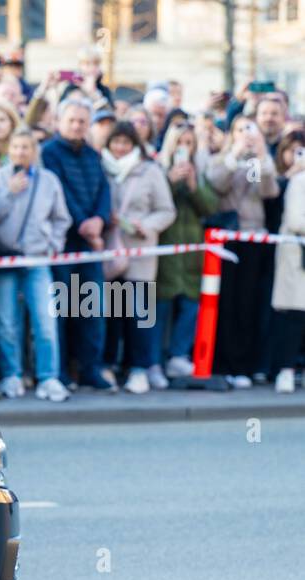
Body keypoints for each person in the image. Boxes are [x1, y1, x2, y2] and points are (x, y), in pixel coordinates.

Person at [0, 128, 72, 401]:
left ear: (35, 152)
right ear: (8, 150)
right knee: (6, 322)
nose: (21, 152)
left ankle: (49, 377)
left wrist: (54, 244)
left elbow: (61, 218)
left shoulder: (49, 181)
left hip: (37, 260)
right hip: (4, 260)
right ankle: (11, 375)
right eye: (17, 147)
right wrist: (8, 194)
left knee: (45, 322)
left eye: (27, 147)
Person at [42, 97, 116, 390]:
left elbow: (103, 190)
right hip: (63, 244)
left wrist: (98, 219)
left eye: (82, 122)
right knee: (60, 311)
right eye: (71, 120)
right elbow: (59, 192)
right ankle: (59, 371)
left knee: (91, 310)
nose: (76, 126)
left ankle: (90, 369)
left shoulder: (92, 154)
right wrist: (85, 223)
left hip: (89, 243)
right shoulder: (48, 153)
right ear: (60, 122)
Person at [100, 121, 177, 393]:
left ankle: (139, 368)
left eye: (125, 143)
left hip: (140, 252)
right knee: (109, 313)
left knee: (138, 315)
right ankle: (109, 365)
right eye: (115, 142)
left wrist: (148, 225)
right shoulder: (101, 168)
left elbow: (166, 210)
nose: (120, 148)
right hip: (109, 251)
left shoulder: (150, 171)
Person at [206, 115, 280, 387]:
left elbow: (269, 191)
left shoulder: (258, 162)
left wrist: (261, 156)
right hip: (226, 236)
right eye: (240, 129)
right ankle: (223, 362)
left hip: (253, 236)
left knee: (248, 302)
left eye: (251, 129)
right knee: (226, 300)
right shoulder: (221, 159)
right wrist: (234, 154)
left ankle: (244, 365)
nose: (245, 134)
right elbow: (217, 184)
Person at [154, 123, 218, 379]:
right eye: (180, 142)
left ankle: (179, 355)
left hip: (192, 252)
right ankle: (154, 360)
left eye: (189, 142)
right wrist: (169, 183)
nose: (185, 148)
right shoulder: (157, 170)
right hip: (165, 249)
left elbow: (210, 207)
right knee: (160, 308)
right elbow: (154, 202)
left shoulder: (201, 172)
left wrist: (193, 186)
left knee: (192, 305)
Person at [270, 139, 305, 392]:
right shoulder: (299, 180)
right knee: (292, 317)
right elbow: (296, 220)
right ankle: (285, 370)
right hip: (296, 259)